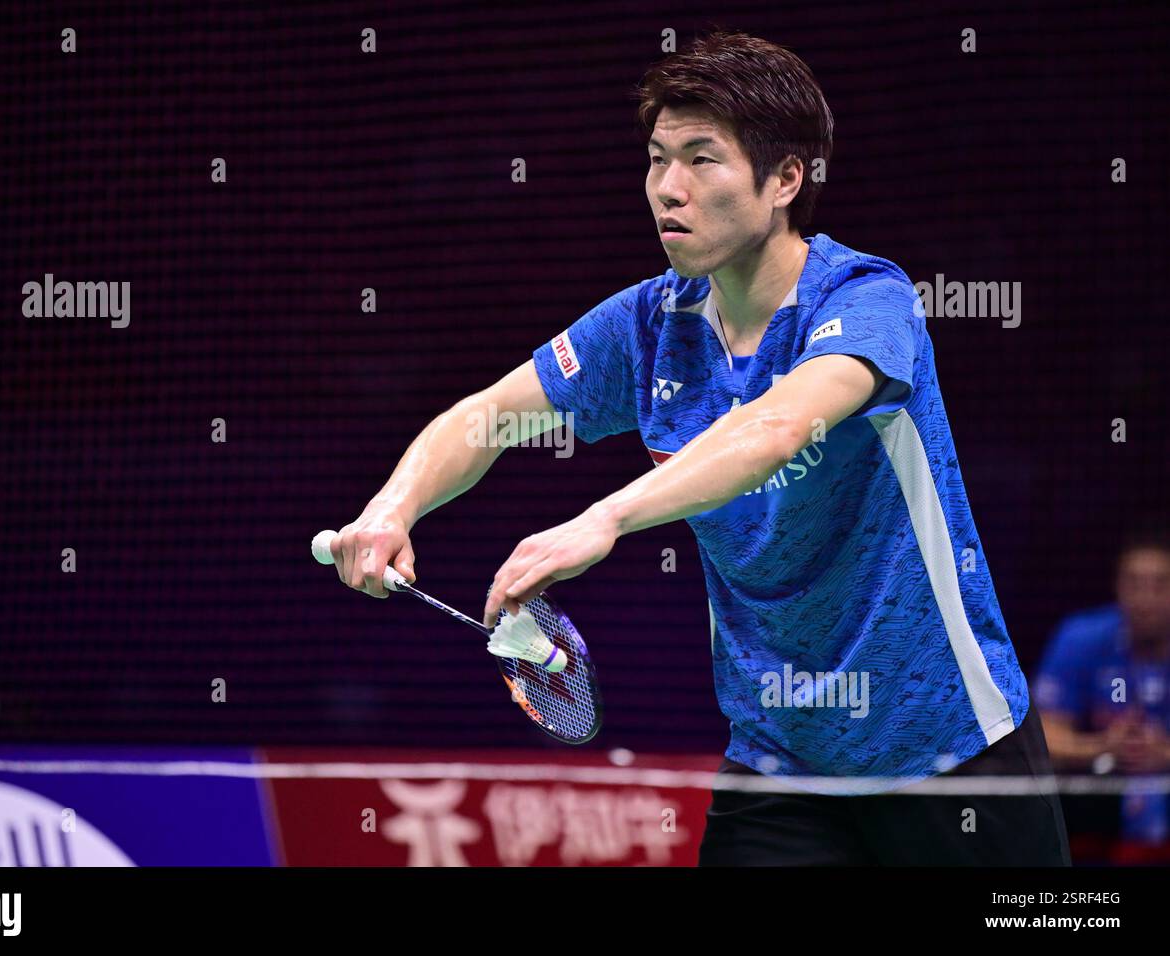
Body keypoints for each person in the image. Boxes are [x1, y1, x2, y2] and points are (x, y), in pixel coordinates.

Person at [327, 30, 1069, 865]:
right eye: (656, 159)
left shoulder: (867, 299)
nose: (666, 189)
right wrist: (395, 506)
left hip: (947, 746)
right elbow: (487, 415)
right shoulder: (651, 324)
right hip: (779, 766)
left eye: (701, 160)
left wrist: (603, 519)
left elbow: (775, 428)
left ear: (786, 178)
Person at [1036, 528, 1170, 863]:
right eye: (1134, 583)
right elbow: (1044, 739)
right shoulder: (1080, 637)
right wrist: (1104, 747)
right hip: (1096, 813)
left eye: (1160, 584)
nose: (1146, 598)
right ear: (1117, 586)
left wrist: (1165, 754)